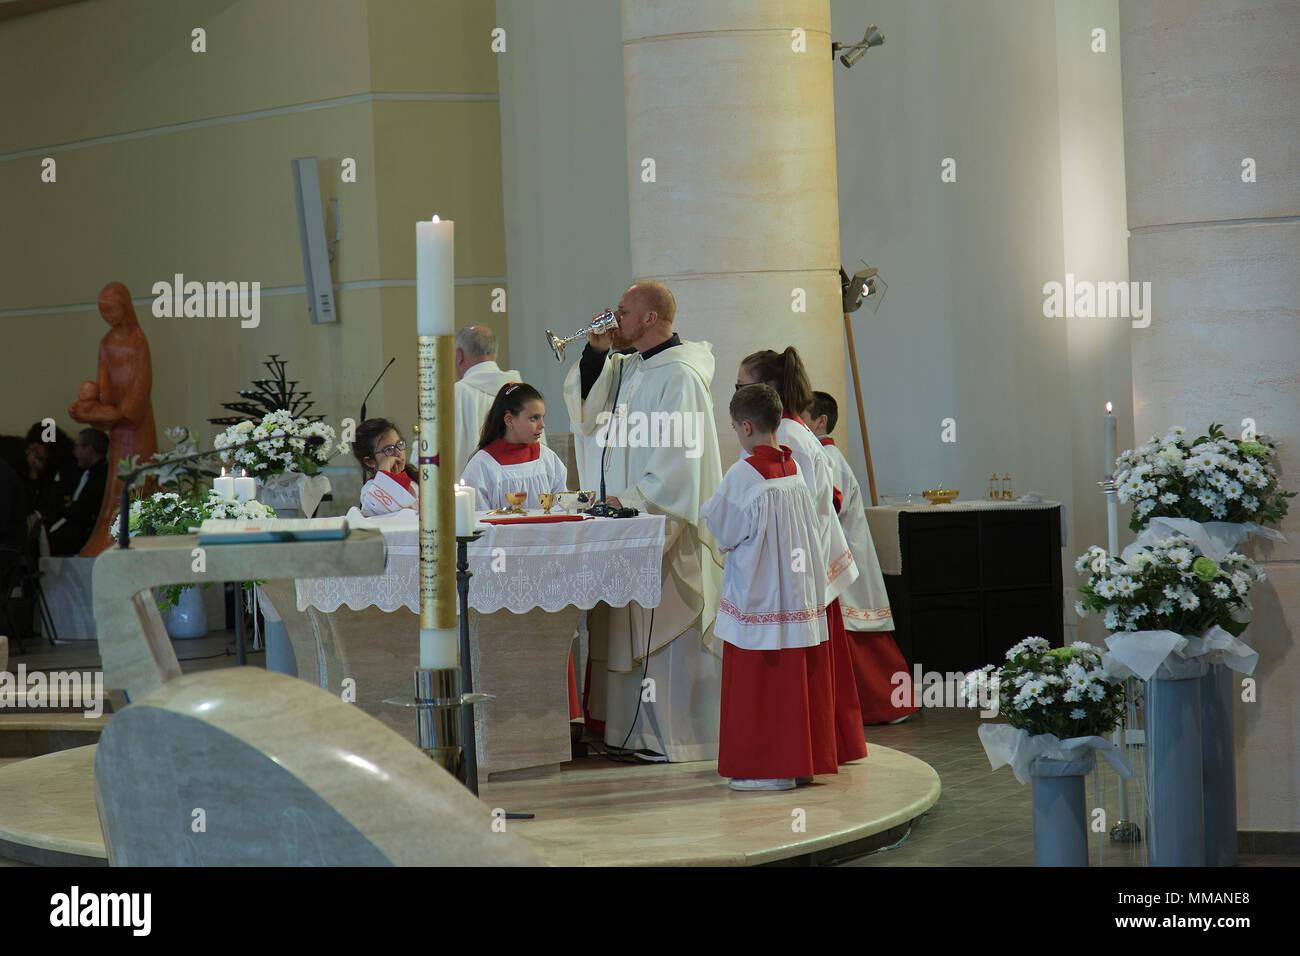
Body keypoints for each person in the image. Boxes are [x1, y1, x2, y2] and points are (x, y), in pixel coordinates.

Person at [562, 281, 725, 762]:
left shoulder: (681, 377)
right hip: (623, 520)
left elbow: (681, 463)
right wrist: (594, 353)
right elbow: (587, 414)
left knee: (664, 637)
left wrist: (632, 501)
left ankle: (674, 738)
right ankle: (631, 734)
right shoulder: (629, 366)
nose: (613, 319)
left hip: (661, 528)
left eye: (623, 311)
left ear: (651, 318)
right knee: (627, 634)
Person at [700, 385, 837, 791]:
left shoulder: (742, 474)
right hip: (794, 594)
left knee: (757, 684)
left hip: (758, 594)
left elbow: (722, 529)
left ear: (745, 426)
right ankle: (794, 764)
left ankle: (763, 769)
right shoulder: (794, 469)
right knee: (790, 684)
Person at [737, 348, 867, 764]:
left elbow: (801, 507)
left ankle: (804, 750)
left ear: (767, 392)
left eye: (741, 387)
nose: (735, 394)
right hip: (807, 561)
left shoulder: (786, 437)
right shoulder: (793, 430)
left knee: (797, 670)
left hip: (796, 568)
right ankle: (825, 745)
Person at [803, 391, 917, 724]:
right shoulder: (821, 456)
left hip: (841, 560)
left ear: (821, 421)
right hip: (837, 558)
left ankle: (890, 704)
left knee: (860, 638)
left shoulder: (829, 458)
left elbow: (828, 509)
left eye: (804, 417)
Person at [453, 325, 547, 477]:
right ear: (494, 353)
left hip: (470, 496)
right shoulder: (523, 394)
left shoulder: (455, 395)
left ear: (460, 355)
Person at [459, 383, 567, 511]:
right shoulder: (482, 464)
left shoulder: (547, 458)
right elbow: (477, 518)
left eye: (542, 417)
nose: (542, 425)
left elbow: (562, 507)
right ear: (509, 420)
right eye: (534, 418)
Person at [44, 428, 110, 556]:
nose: (74, 452)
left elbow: (83, 509)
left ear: (89, 449)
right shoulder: (83, 472)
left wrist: (71, 506)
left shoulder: (101, 476)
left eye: (77, 446)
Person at [355, 418, 418, 517]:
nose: (398, 452)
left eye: (399, 444)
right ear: (370, 461)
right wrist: (384, 471)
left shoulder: (415, 478)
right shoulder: (370, 490)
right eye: (388, 450)